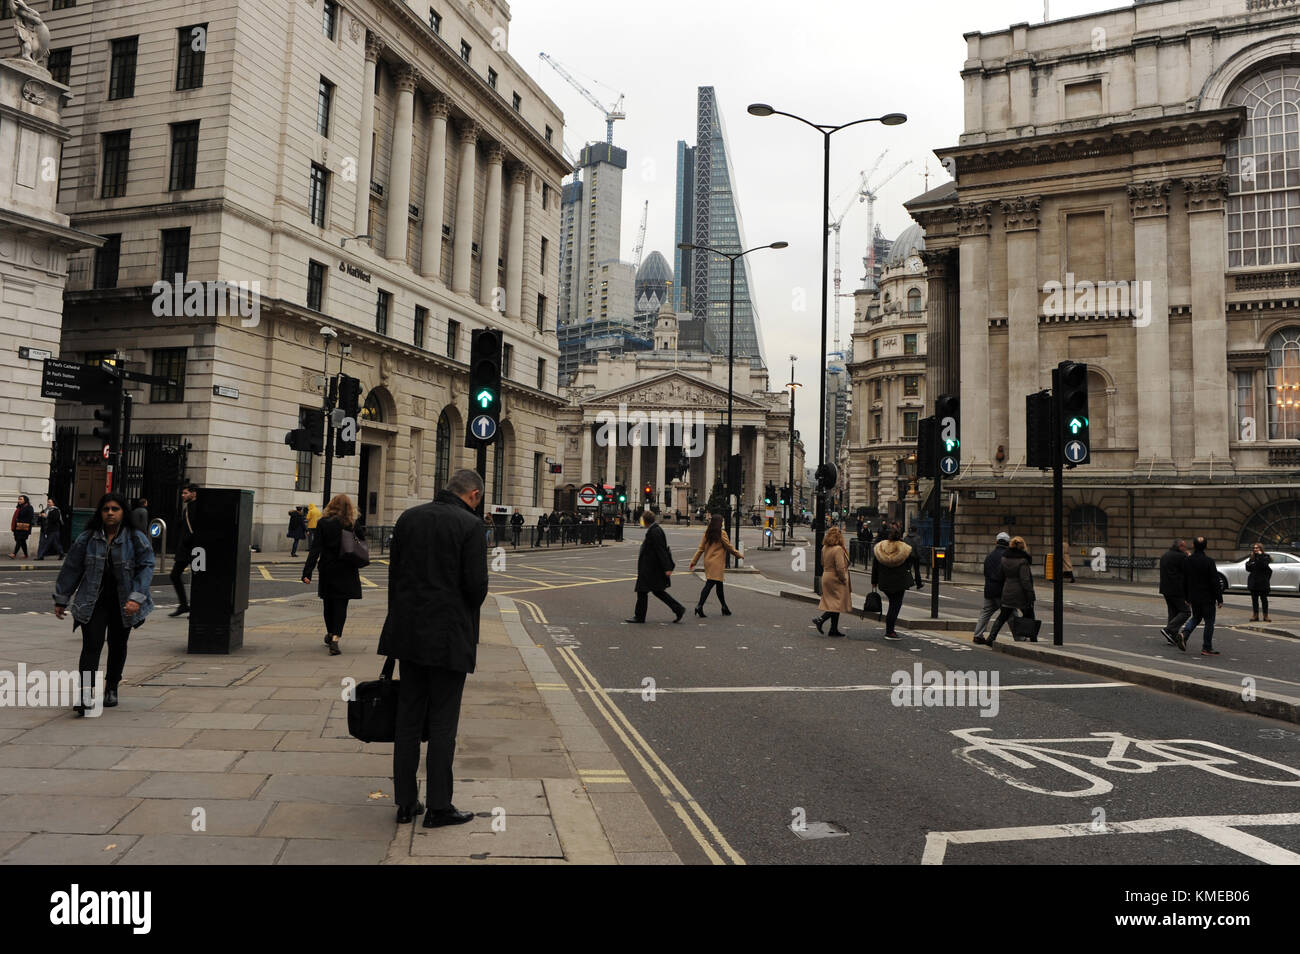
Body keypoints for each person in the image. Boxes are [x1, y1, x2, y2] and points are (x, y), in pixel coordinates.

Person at [380, 468, 488, 828]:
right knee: (443, 724)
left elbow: (394, 580)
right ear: (473, 495)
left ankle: (406, 803)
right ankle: (439, 806)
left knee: (407, 721)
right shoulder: (470, 527)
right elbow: (476, 589)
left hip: (408, 635)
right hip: (448, 639)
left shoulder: (409, 518)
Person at [53, 492, 154, 714]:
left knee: (117, 646)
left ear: (122, 513)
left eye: (115, 509)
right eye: (106, 509)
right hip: (93, 601)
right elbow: (72, 568)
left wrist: (136, 598)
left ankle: (111, 687)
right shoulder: (88, 537)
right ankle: (85, 694)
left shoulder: (135, 537)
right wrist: (62, 598)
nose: (110, 513)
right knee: (91, 646)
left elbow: (146, 568)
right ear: (100, 512)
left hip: (124, 602)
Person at [302, 493, 364, 655]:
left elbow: (316, 548)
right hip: (347, 567)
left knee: (328, 603)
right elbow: (362, 542)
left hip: (328, 568)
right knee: (341, 605)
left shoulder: (323, 523)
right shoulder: (352, 523)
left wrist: (307, 571)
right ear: (349, 507)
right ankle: (335, 638)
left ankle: (330, 633)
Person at [626, 509, 685, 624]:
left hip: (651, 568)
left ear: (646, 521)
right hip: (651, 568)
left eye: (642, 520)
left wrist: (667, 568)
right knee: (657, 591)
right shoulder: (654, 530)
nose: (641, 522)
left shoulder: (655, 531)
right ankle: (678, 609)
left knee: (643, 591)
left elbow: (661, 550)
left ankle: (640, 616)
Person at [979, 535, 1034, 646]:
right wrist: (1030, 594)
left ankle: (991, 638)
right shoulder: (1023, 560)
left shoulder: (1004, 558)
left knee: (1003, 615)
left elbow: (1000, 575)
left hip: (1007, 590)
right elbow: (1025, 580)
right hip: (1020, 592)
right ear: (1023, 546)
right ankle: (1032, 639)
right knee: (1029, 614)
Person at [871, 526, 923, 640]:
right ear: (899, 536)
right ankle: (890, 631)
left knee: (892, 604)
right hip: (899, 581)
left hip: (884, 582)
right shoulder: (904, 549)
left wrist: (874, 581)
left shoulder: (880, 548)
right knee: (895, 606)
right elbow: (911, 561)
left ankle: (890, 630)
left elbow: (875, 566)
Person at [689, 514, 743, 617]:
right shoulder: (721, 533)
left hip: (708, 562)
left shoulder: (707, 533)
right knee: (709, 585)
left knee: (719, 586)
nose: (723, 522)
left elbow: (700, 549)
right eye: (722, 521)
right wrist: (738, 554)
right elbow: (728, 547)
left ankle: (724, 607)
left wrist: (693, 561)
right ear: (720, 523)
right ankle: (699, 606)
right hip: (717, 563)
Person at [1179, 537, 1223, 655]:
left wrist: (1186, 597)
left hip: (1194, 596)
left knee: (1196, 617)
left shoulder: (1187, 561)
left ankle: (1185, 633)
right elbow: (1215, 581)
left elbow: (1184, 580)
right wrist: (1219, 598)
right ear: (1206, 547)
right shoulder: (1209, 561)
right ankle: (1206, 647)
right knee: (1209, 621)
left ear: (1193, 546)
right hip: (1207, 596)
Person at [812, 526, 851, 637]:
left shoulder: (825, 547)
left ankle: (833, 629)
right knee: (837, 604)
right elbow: (840, 567)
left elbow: (822, 562)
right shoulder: (838, 549)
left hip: (826, 575)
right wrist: (843, 578)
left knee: (834, 603)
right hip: (836, 578)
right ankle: (820, 619)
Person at [972, 532, 1011, 643]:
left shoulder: (989, 556)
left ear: (996, 542)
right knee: (1011, 614)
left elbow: (985, 572)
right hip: (1002, 590)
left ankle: (977, 635)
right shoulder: (1007, 556)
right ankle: (1019, 637)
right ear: (1008, 543)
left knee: (985, 612)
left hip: (989, 589)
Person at [169, 483, 198, 617]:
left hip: (195, 550)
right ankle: (184, 605)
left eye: (185, 493)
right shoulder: (187, 508)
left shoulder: (198, 507)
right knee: (174, 575)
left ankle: (196, 607)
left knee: (198, 579)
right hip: (185, 550)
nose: (182, 495)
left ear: (194, 493)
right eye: (182, 493)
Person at [1158, 539, 1191, 646]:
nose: (1186, 549)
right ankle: (1169, 630)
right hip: (1177, 589)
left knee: (1173, 612)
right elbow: (1188, 569)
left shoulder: (1165, 555)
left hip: (1165, 588)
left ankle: (1171, 637)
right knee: (1186, 612)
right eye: (1184, 547)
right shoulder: (1181, 557)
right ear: (1180, 547)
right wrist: (1189, 557)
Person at [1246, 543, 1272, 623]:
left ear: (1261, 548)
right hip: (1254, 582)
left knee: (1264, 599)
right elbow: (1248, 569)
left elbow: (1263, 565)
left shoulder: (1266, 556)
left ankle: (1265, 616)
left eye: (1257, 548)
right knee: (1254, 600)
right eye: (1254, 548)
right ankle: (1255, 615)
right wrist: (1248, 563)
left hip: (1263, 582)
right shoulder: (1252, 557)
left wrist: (1260, 556)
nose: (1255, 549)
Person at [35, 496, 64, 561]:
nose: (48, 503)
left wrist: (46, 516)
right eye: (48, 502)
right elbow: (40, 520)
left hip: (53, 530)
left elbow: (55, 519)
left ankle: (61, 553)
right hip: (44, 529)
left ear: (53, 503)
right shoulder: (45, 510)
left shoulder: (56, 510)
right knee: (42, 543)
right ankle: (40, 556)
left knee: (55, 543)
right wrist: (40, 516)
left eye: (49, 502)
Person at [10, 494, 34, 559]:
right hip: (18, 527)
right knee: (22, 542)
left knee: (19, 540)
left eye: (21, 499)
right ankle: (26, 555)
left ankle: (14, 554)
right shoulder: (19, 507)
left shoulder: (29, 507)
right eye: (19, 499)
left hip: (24, 528)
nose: (19, 500)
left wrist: (20, 520)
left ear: (25, 500)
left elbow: (30, 517)